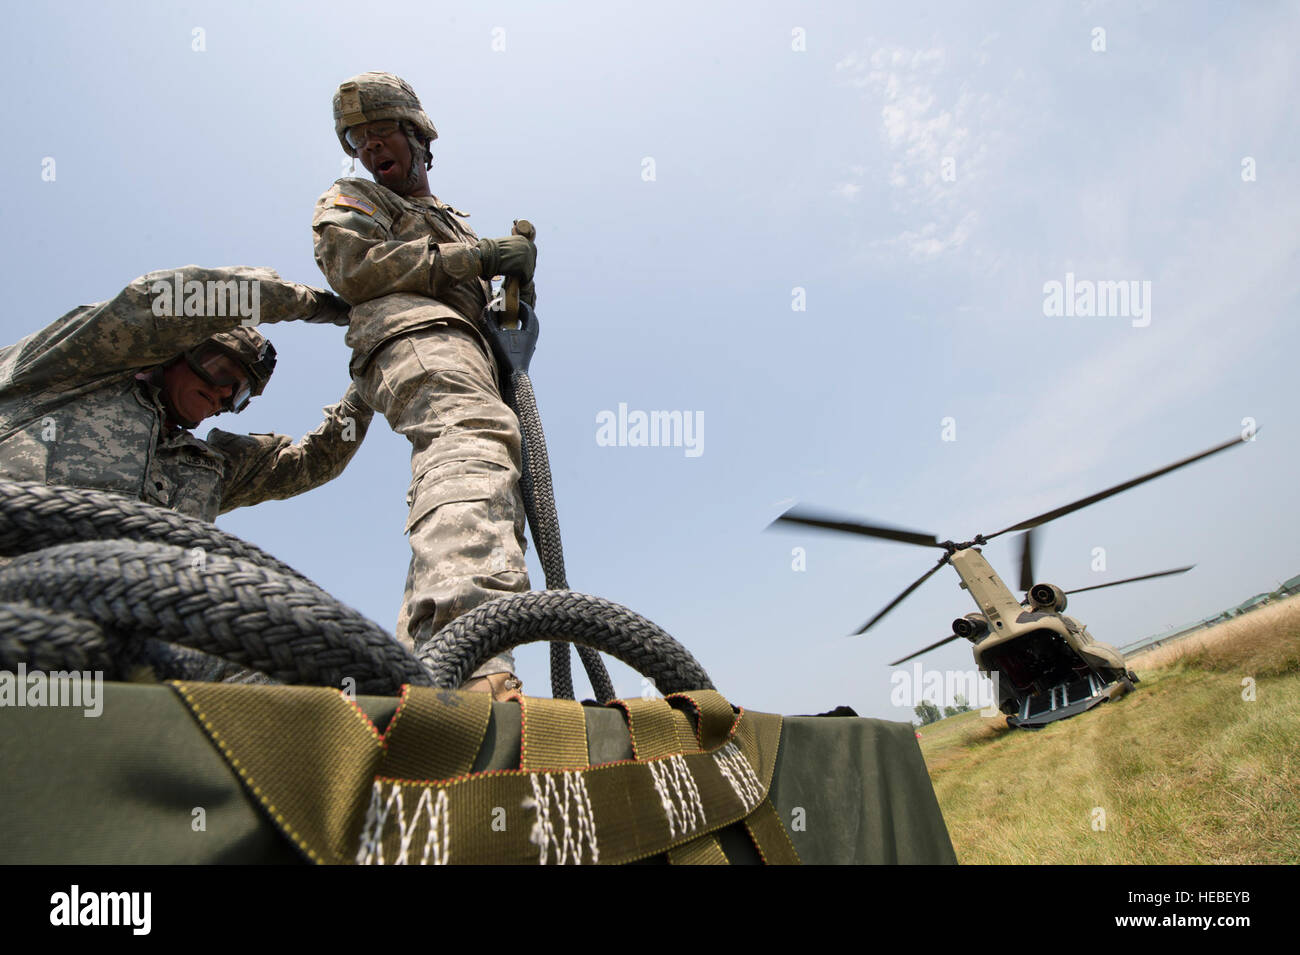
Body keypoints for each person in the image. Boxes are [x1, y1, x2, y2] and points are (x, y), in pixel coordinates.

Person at [311, 72, 536, 698]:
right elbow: (354, 270)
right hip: (414, 331)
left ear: (417, 134)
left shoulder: (446, 220)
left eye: (382, 131)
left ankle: (426, 672)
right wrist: (482, 258)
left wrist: (513, 302)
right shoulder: (355, 197)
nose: (370, 148)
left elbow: (481, 294)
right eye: (358, 139)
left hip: (468, 346)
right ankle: (471, 663)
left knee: (490, 483)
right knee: (471, 442)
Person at [0, 265, 371, 521]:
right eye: (220, 370)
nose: (222, 393)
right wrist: (321, 307)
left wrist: (370, 370)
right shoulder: (72, 374)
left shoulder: (208, 467)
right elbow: (159, 303)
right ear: (175, 351)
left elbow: (313, 463)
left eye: (237, 393)